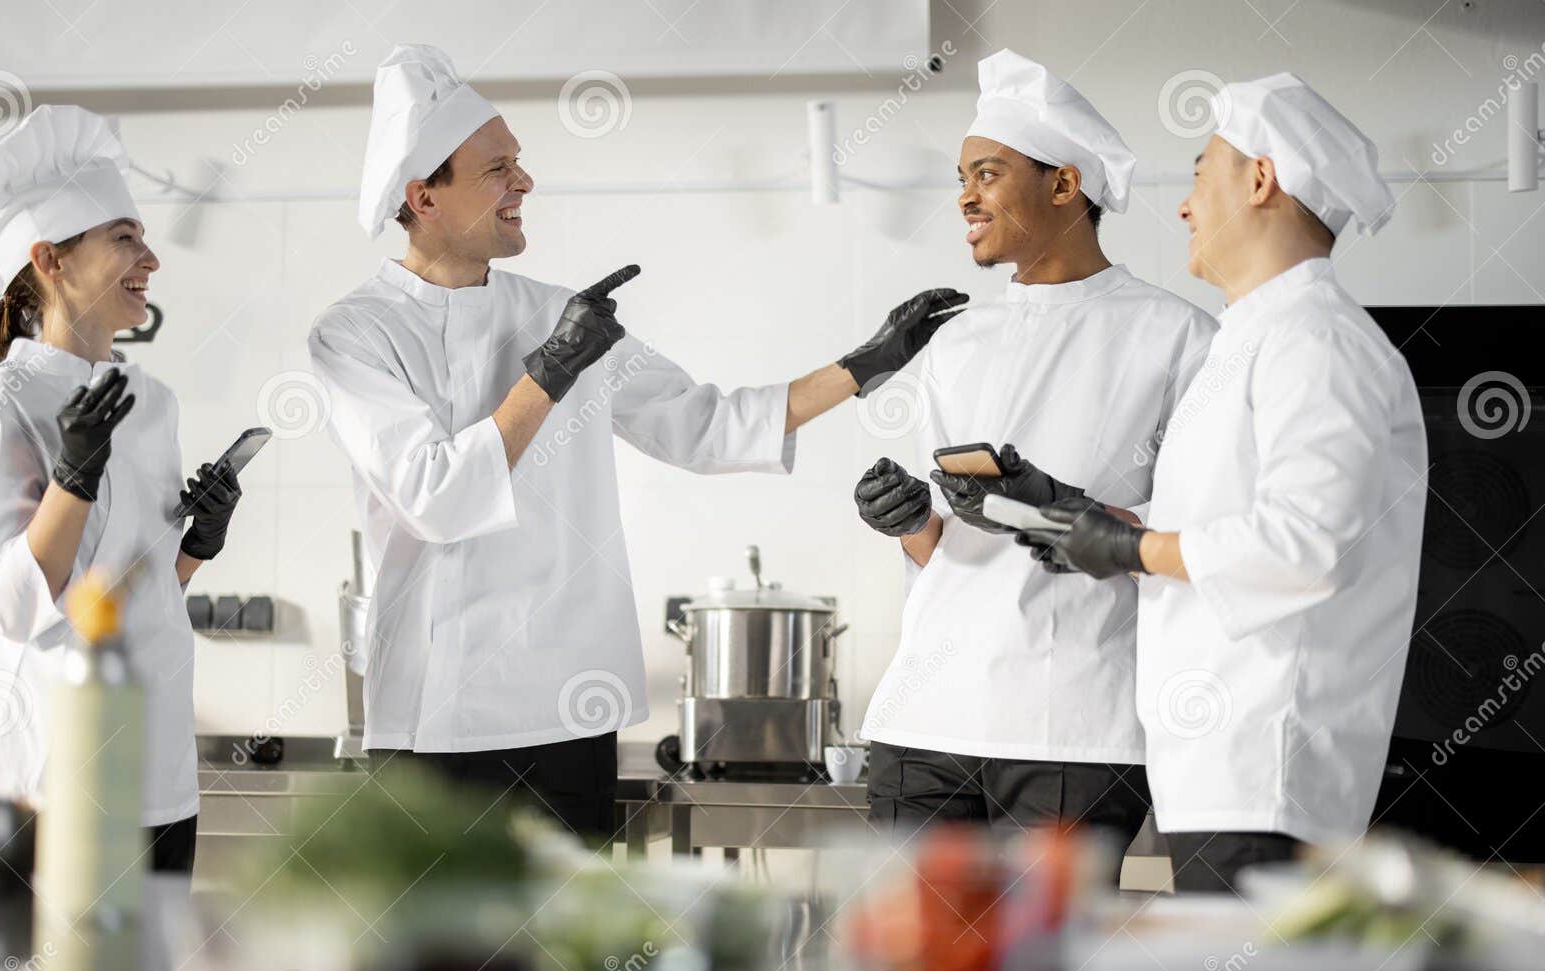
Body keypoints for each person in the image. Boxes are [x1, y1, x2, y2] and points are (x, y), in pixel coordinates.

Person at [310, 44, 962, 842]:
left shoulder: (562, 311)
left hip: (562, 710)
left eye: (519, 162)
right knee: (441, 960)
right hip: (433, 722)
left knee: (570, 953)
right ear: (424, 196)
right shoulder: (353, 332)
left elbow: (706, 423)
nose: (525, 182)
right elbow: (436, 495)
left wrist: (869, 363)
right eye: (497, 168)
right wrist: (549, 371)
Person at [1014, 74, 1427, 893]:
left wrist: (1132, 544)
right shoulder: (1256, 337)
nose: (1183, 205)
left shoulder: (1318, 341)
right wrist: (1089, 520)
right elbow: (1218, 520)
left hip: (1269, 767)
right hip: (1219, 767)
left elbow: (1304, 543)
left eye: (1202, 173)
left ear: (1261, 180)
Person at [852, 50, 1216, 883]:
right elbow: (941, 557)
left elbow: (1203, 550)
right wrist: (910, 523)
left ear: (1064, 186)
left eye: (987, 172)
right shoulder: (957, 342)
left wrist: (1061, 508)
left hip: (1072, 730)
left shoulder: (1179, 338)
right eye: (961, 176)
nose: (965, 197)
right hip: (924, 724)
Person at [0, 106, 244, 875]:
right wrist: (71, 480)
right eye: (125, 238)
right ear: (50, 258)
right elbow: (10, 606)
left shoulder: (153, 400)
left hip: (158, 775)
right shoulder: (2, 403)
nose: (152, 257)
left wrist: (195, 547)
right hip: (45, 776)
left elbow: (133, 591)